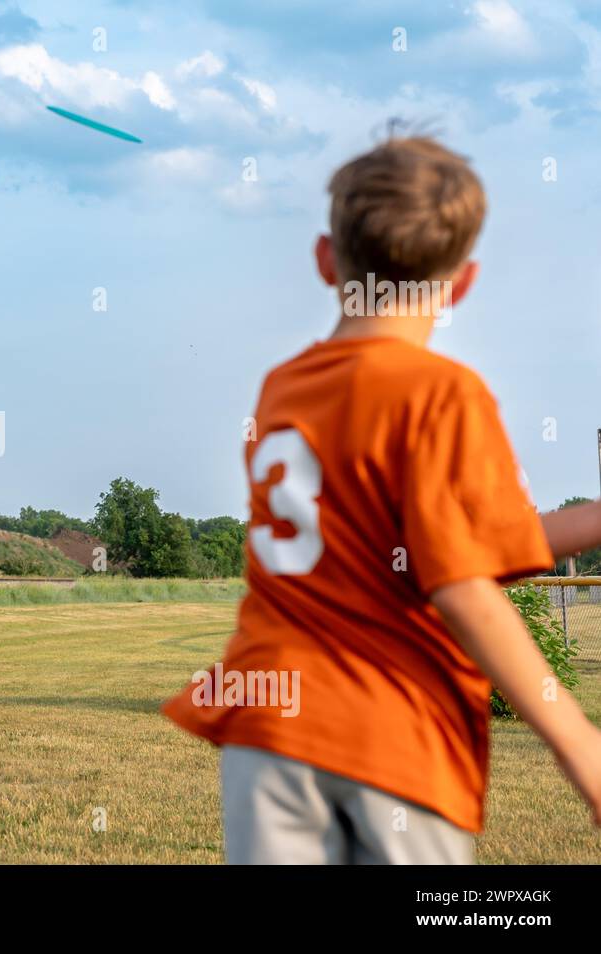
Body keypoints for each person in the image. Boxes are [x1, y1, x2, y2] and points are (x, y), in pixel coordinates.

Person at [162, 134, 601, 864]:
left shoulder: (284, 390)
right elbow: (461, 583)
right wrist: (579, 743)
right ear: (462, 285)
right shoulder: (441, 394)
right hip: (392, 732)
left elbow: (459, 544)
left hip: (269, 730)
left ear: (325, 261)